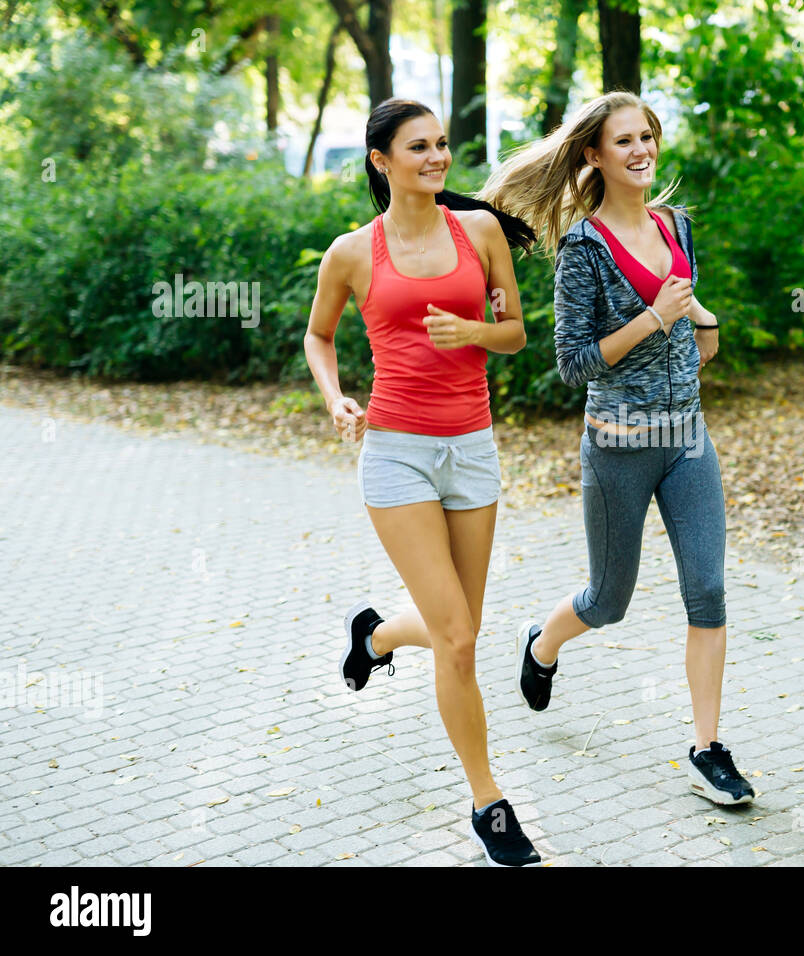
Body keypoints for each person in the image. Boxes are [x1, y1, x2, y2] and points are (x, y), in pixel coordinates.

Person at [480, 91, 755, 806]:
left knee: (710, 591)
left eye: (647, 137)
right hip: (619, 449)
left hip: (688, 442)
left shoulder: (677, 226)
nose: (640, 151)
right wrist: (653, 318)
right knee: (609, 600)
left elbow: (701, 342)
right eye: (624, 142)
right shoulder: (583, 249)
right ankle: (542, 643)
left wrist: (701, 318)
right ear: (595, 156)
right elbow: (571, 363)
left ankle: (708, 748)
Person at [302, 97, 544, 866]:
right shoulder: (350, 252)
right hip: (398, 453)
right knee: (462, 639)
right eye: (419, 148)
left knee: (456, 629)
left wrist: (472, 330)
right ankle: (488, 801)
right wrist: (336, 395)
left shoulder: (479, 232)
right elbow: (318, 334)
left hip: (472, 450)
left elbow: (514, 333)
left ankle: (372, 635)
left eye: (442, 145)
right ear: (382, 161)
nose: (438, 158)